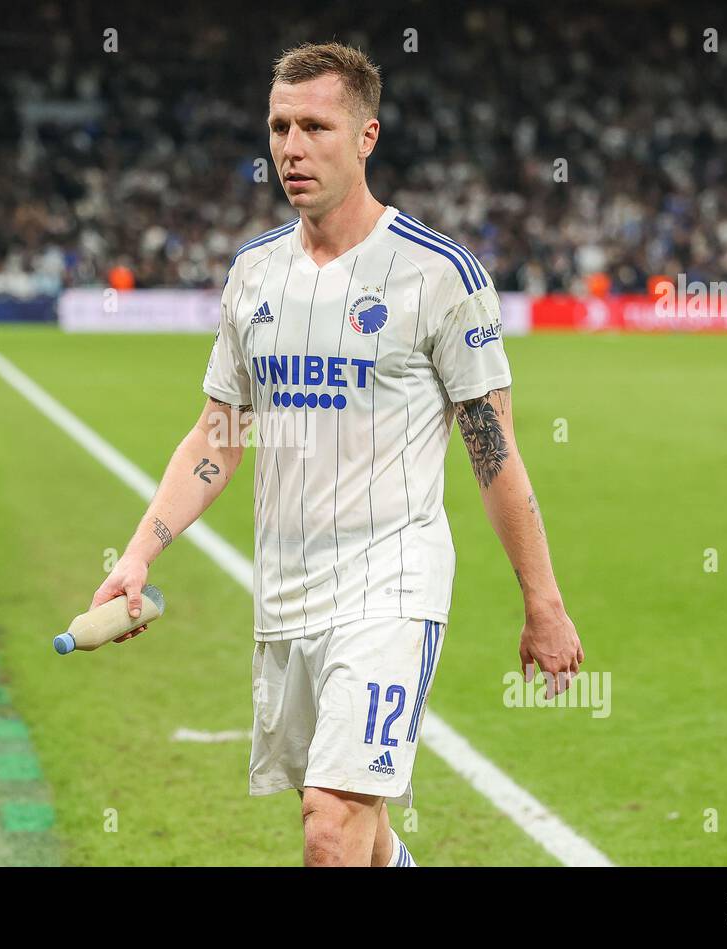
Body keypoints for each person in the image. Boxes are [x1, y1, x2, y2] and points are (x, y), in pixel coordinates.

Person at [90, 42, 584, 866]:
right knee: (359, 833)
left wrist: (544, 601)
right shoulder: (254, 273)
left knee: (330, 826)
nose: (291, 147)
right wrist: (138, 555)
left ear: (366, 137)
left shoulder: (439, 274)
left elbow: (493, 452)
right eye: (279, 126)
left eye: (315, 127)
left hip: (391, 584)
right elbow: (218, 433)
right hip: (284, 590)